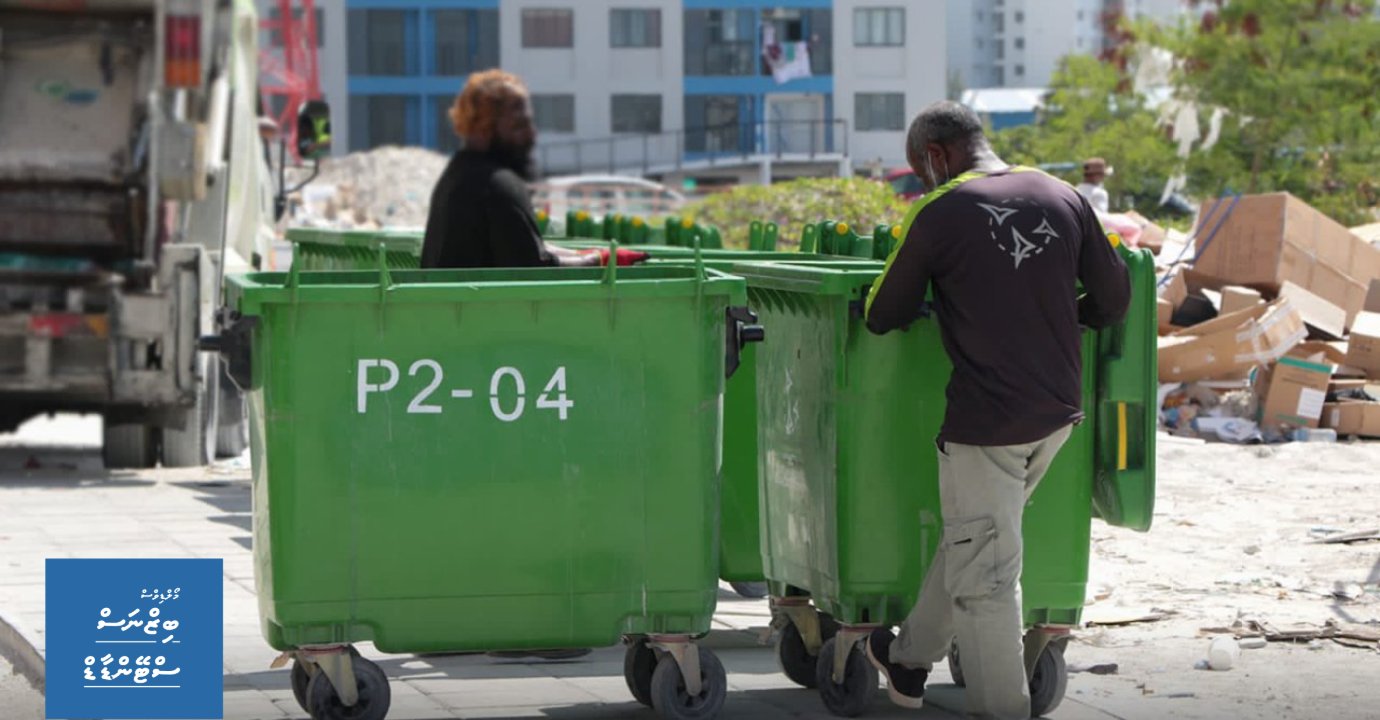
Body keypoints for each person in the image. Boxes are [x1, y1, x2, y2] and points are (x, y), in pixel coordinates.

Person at [861, 101, 1131, 719]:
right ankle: (907, 658)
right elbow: (1115, 298)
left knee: (985, 578)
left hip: (989, 423)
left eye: (921, 169)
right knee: (974, 539)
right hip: (1058, 413)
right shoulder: (1062, 195)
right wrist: (1060, 317)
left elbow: (883, 314)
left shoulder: (938, 212)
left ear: (935, 156)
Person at [422, 69, 645, 269]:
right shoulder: (497, 185)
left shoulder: (457, 175)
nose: (532, 134)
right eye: (519, 125)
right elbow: (534, 266)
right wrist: (601, 260)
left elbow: (519, 245)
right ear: (483, 129)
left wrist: (583, 254)